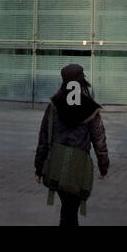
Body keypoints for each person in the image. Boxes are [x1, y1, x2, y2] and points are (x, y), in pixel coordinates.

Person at [34, 64, 109, 227]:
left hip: (57, 165)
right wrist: (104, 167)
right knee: (71, 210)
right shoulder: (90, 108)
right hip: (78, 167)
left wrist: (39, 168)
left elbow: (44, 138)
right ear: (82, 82)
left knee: (68, 208)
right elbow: (99, 140)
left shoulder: (54, 106)